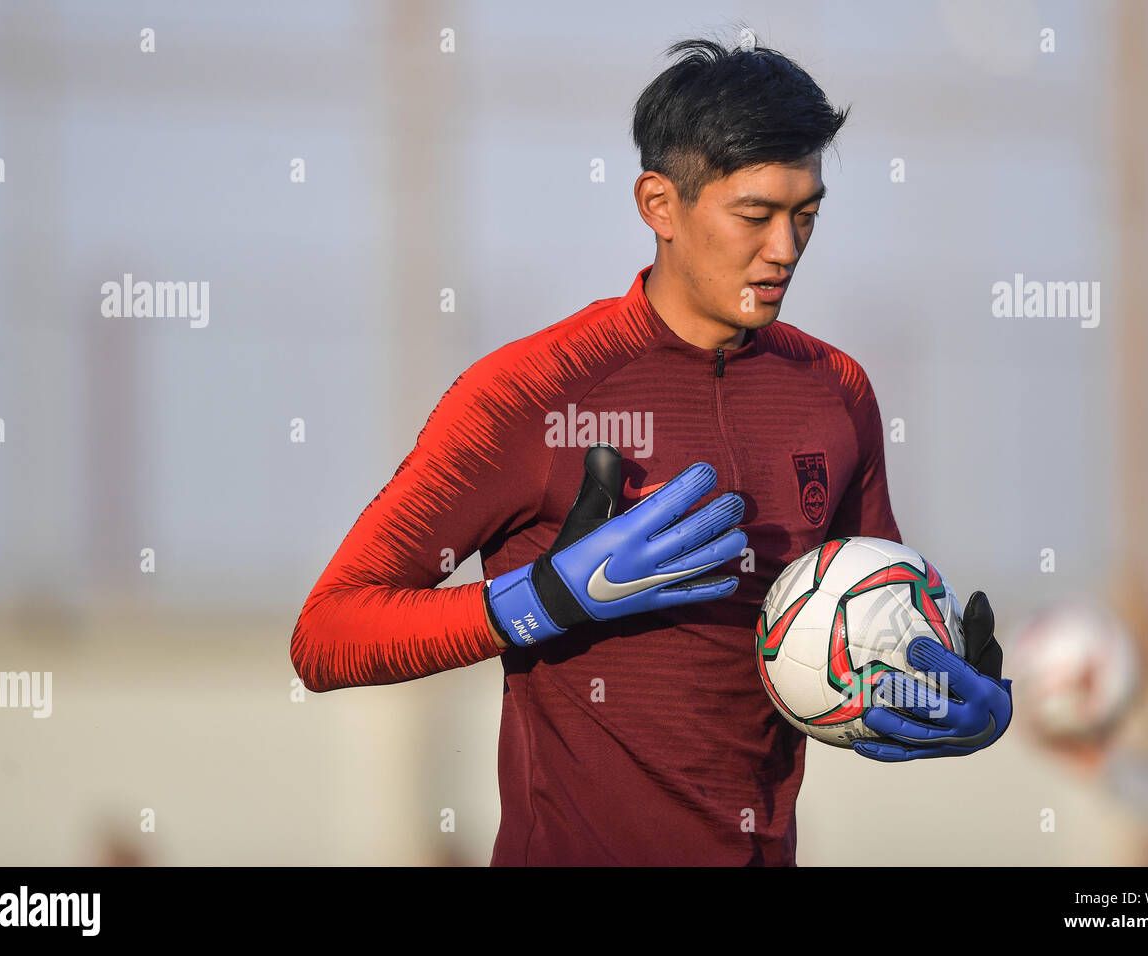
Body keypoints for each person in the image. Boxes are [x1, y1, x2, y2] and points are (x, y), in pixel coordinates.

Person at [290, 36, 1012, 866]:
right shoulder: (529, 392)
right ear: (659, 204)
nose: (785, 249)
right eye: (755, 215)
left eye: (806, 214)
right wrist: (542, 601)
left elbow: (860, 635)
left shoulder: (835, 392)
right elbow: (327, 634)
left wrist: (966, 699)